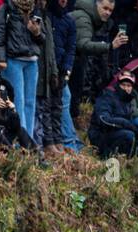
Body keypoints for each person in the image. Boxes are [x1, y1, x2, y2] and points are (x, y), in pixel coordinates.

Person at [0, 0, 56, 146]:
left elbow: (43, 39)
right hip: (13, 60)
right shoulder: (7, 8)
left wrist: (37, 32)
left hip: (32, 61)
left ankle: (27, 143)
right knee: (18, 102)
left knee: (30, 103)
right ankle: (18, 142)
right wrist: (1, 58)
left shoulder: (36, 9)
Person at [71, 0, 125, 106]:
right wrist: (110, 46)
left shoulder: (95, 21)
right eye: (105, 8)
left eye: (110, 10)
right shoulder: (84, 18)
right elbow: (83, 45)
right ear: (96, 5)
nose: (108, 13)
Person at [88, 69, 138, 157]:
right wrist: (125, 123)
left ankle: (126, 155)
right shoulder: (107, 96)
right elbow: (103, 120)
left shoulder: (128, 102)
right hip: (100, 134)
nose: (126, 88)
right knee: (129, 135)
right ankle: (106, 155)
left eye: (129, 86)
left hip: (117, 133)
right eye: (123, 85)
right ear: (118, 84)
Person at [49, 0, 81, 149]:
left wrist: (66, 70)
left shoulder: (69, 21)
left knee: (63, 100)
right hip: (45, 67)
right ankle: (69, 140)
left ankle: (68, 139)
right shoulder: (44, 15)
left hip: (60, 69)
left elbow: (71, 49)